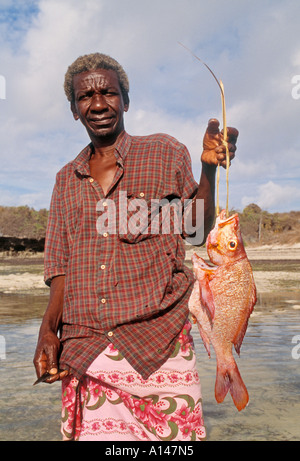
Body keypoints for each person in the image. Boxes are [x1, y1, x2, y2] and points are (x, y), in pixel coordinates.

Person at [33, 53, 238, 441]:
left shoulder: (165, 152)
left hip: (158, 340)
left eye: (108, 92)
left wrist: (208, 168)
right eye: (85, 97)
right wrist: (48, 332)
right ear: (74, 110)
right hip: (85, 346)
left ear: (125, 100)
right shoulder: (65, 179)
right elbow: (58, 263)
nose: (97, 104)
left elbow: (195, 231)